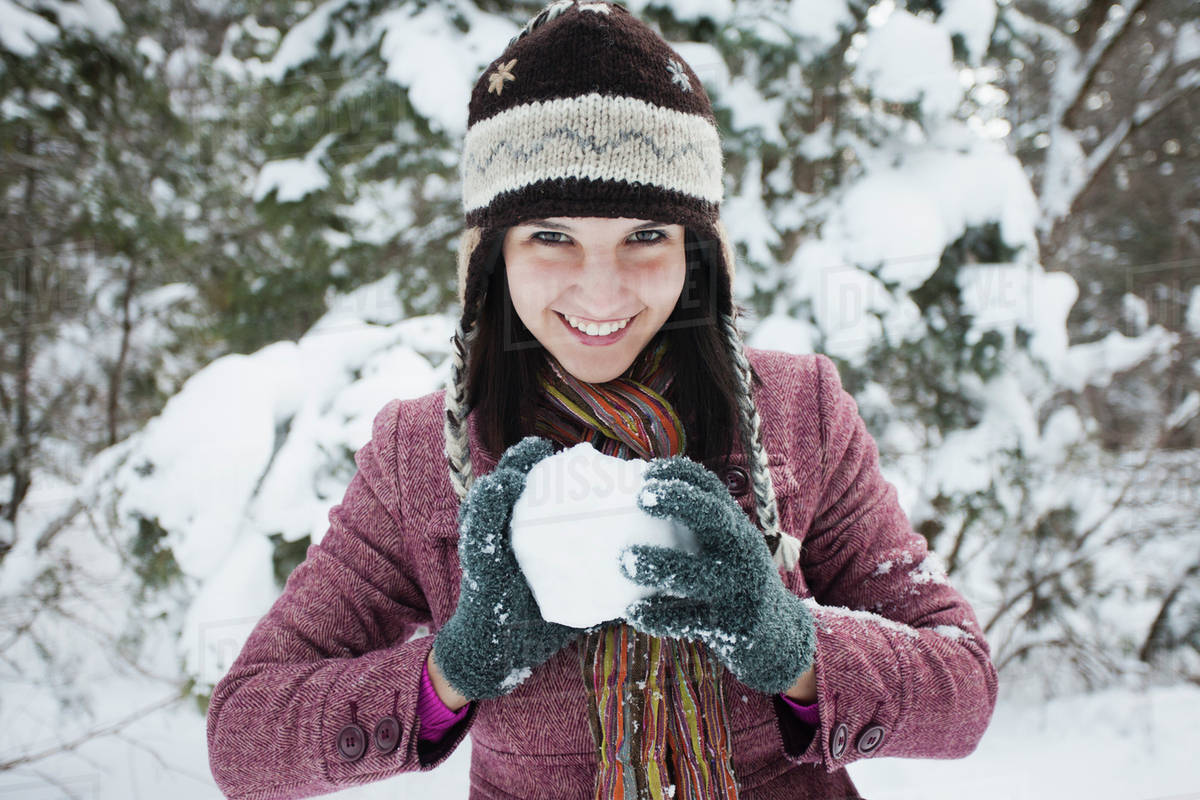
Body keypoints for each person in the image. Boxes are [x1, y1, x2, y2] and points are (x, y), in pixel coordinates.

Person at [205, 2, 999, 799]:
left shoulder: (798, 412)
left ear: (696, 252)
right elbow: (244, 736)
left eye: (645, 236)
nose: (601, 290)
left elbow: (963, 685)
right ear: (493, 257)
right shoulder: (420, 457)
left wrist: (792, 646)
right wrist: (454, 669)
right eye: (552, 237)